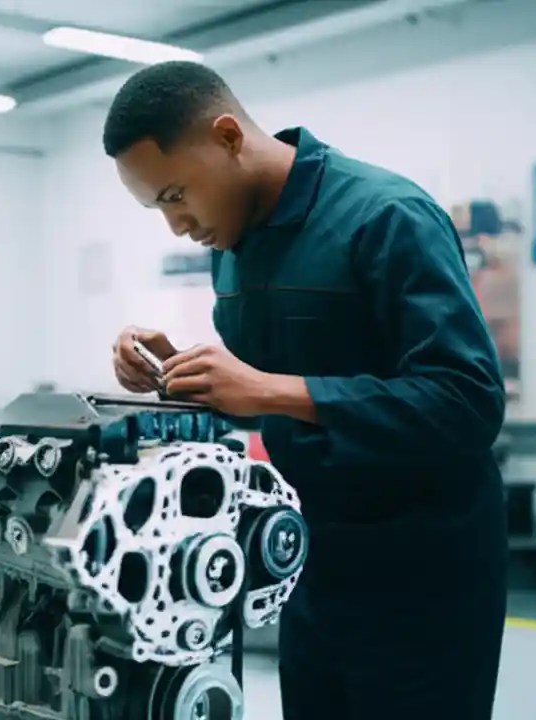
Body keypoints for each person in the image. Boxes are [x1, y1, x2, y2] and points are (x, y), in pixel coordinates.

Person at [103, 61, 508, 719]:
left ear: (229, 137)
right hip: (308, 559)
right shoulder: (233, 244)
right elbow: (270, 387)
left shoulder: (386, 216)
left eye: (177, 195)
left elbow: (467, 399)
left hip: (424, 572)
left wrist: (269, 390)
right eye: (158, 207)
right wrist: (181, 378)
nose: (176, 226)